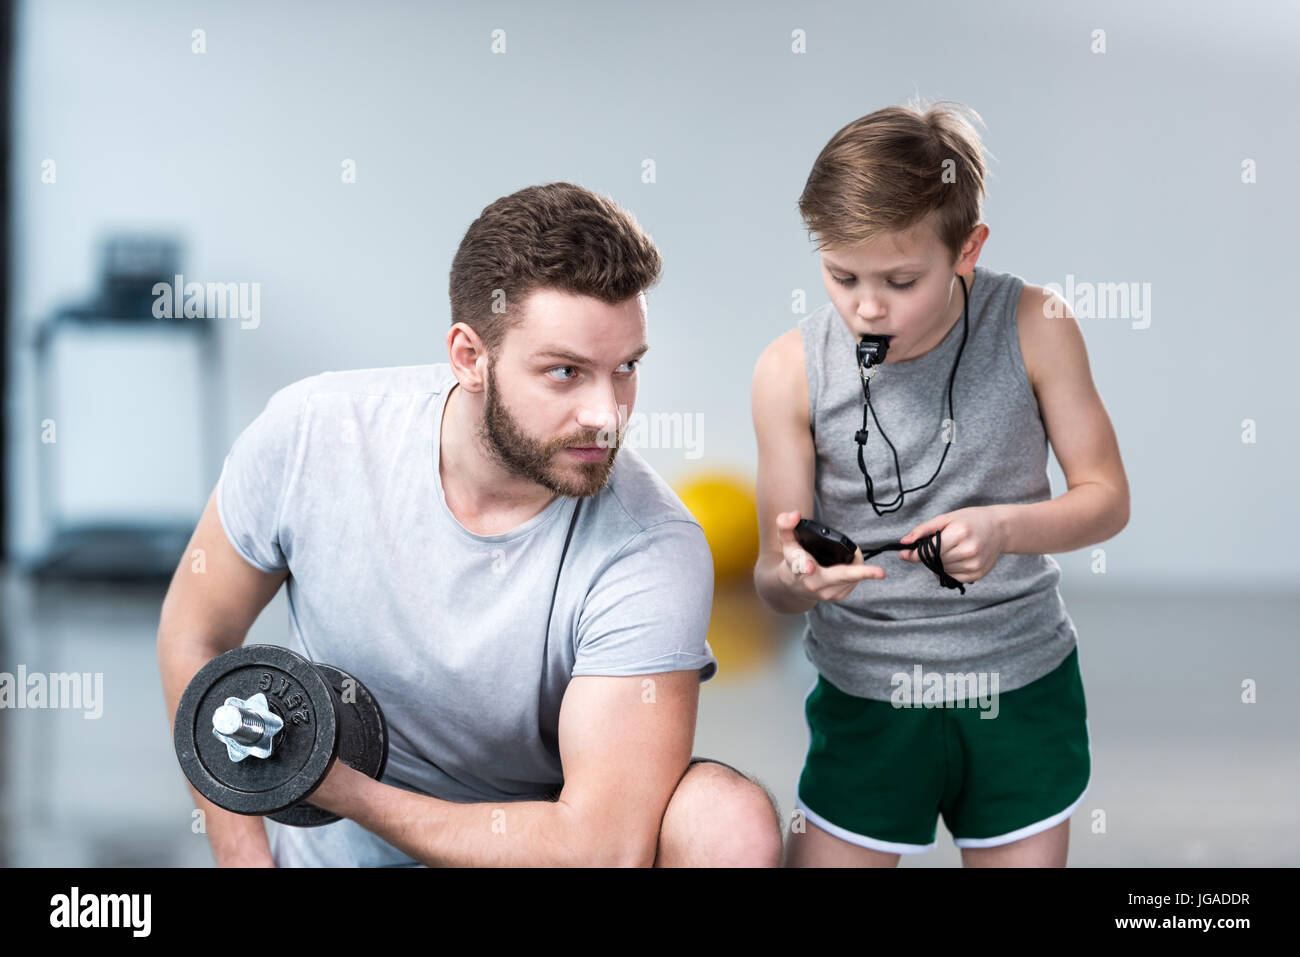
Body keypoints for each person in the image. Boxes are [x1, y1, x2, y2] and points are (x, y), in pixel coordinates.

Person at [159, 182, 783, 867]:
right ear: (469, 357)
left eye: (625, 368)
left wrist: (341, 787)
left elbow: (603, 846)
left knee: (729, 821)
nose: (607, 414)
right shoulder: (311, 434)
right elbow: (196, 635)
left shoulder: (651, 545)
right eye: (565, 371)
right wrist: (247, 859)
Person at [751, 100, 1130, 867]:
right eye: (840, 273)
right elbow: (771, 576)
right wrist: (799, 579)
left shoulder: (1037, 323)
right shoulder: (787, 370)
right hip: (867, 696)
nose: (864, 306)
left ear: (968, 249)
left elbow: (1107, 497)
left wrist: (1006, 529)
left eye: (899, 279)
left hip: (1020, 685)